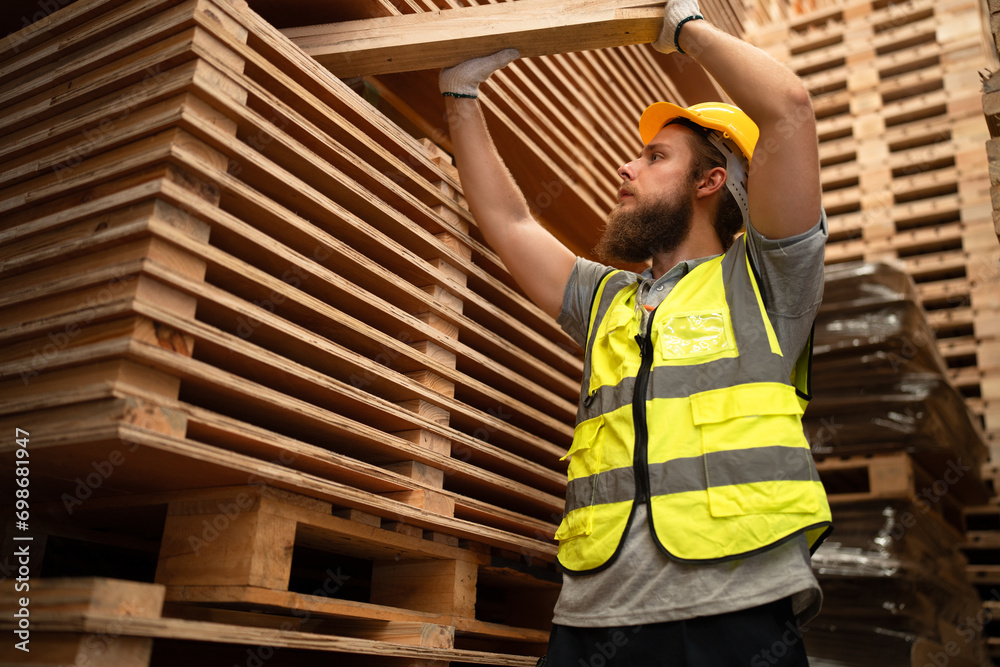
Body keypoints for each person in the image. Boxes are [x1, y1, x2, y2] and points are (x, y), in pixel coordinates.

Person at [440, 0, 834, 663]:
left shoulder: (767, 283)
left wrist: (684, 29)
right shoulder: (605, 300)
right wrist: (459, 93)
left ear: (712, 181)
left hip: (732, 617)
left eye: (653, 157)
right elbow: (509, 223)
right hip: (591, 617)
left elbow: (789, 109)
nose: (626, 169)